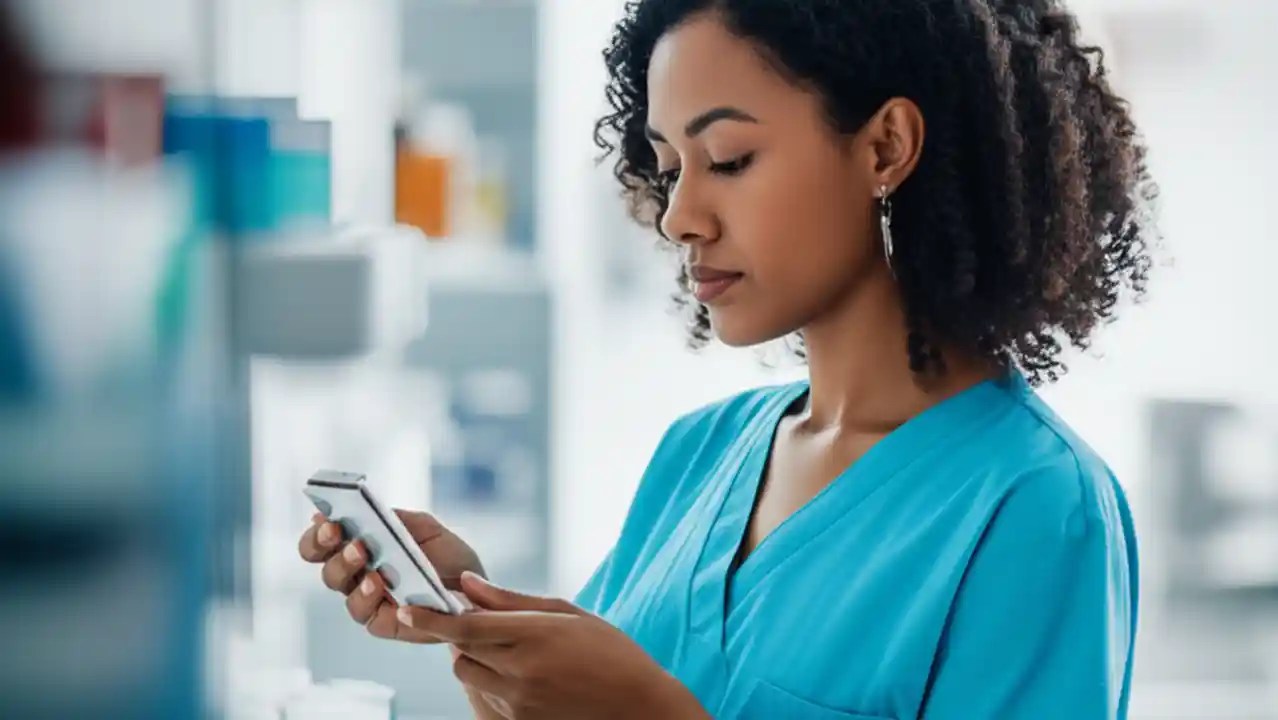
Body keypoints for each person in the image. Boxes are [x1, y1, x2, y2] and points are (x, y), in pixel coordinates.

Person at [298, 0, 1156, 717]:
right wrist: (481, 627)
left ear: (886, 146)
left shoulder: (1036, 509)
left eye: (729, 160)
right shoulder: (699, 454)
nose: (679, 217)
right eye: (669, 169)